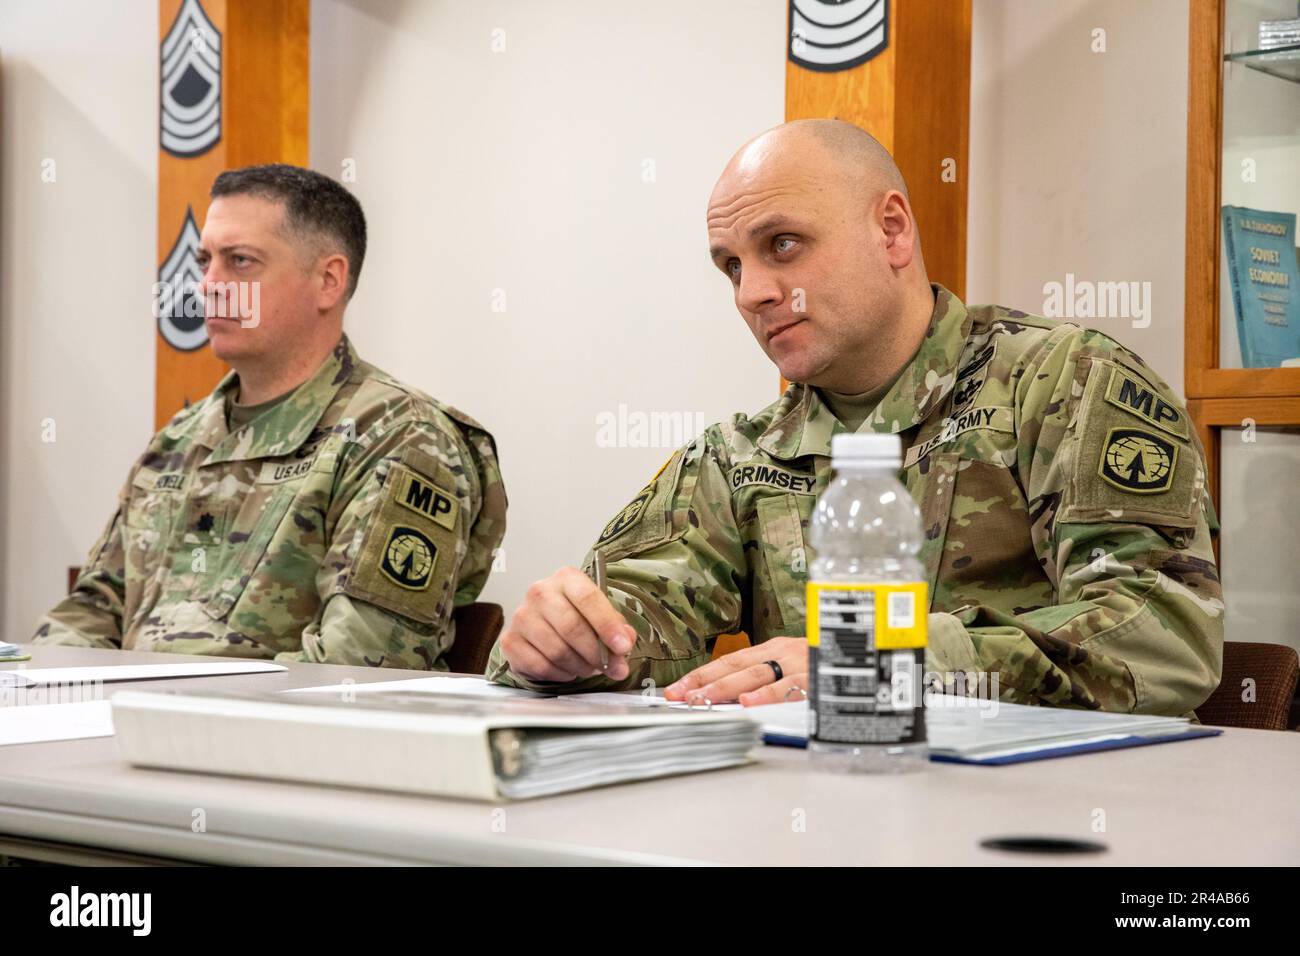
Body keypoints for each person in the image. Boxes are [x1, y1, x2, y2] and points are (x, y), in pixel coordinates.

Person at [486, 120, 1222, 717]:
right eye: (731, 266)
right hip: (828, 822)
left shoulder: (1062, 384)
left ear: (892, 230)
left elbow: (1163, 637)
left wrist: (876, 663)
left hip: (1058, 820)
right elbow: (625, 625)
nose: (751, 293)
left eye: (781, 245)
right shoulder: (738, 457)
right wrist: (564, 646)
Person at [33, 164, 506, 669]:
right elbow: (88, 615)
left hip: (273, 739)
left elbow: (357, 668)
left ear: (328, 280)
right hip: (130, 730)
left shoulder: (400, 436)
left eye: (240, 262)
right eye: (205, 261)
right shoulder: (177, 442)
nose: (208, 286)